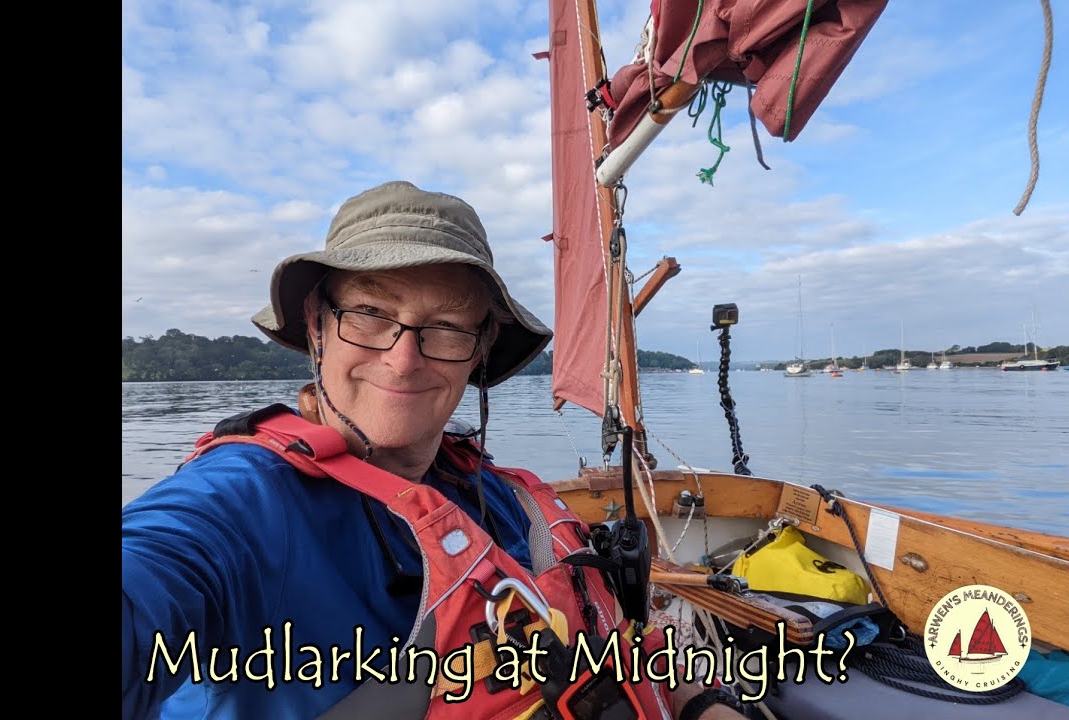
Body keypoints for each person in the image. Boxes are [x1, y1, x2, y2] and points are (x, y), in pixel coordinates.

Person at [121, 181, 748, 720]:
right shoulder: (239, 504)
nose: (402, 358)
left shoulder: (498, 498)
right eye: (368, 312)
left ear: (480, 347)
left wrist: (699, 703)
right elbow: (155, 572)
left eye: (446, 326)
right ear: (316, 323)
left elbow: (598, 640)